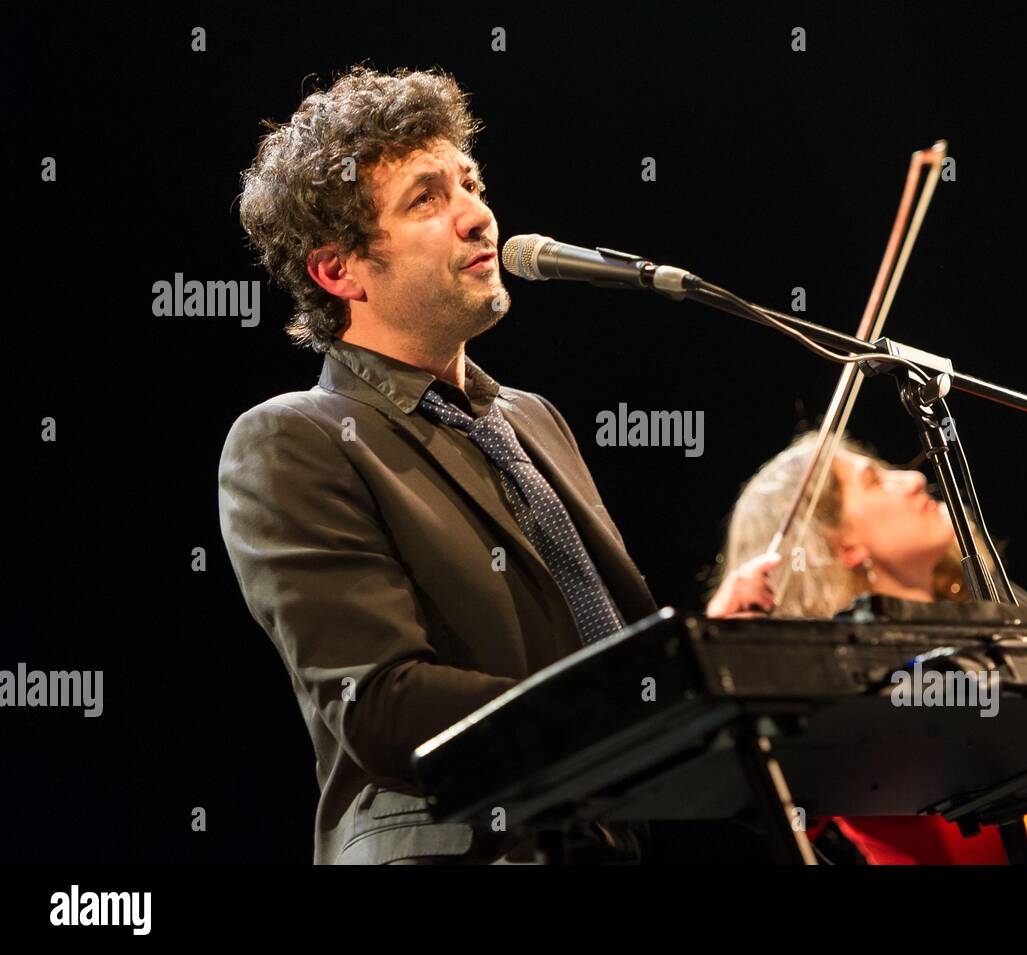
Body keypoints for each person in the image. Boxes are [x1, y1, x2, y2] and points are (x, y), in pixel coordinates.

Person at [220, 66, 762, 864]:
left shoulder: (530, 418)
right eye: (425, 199)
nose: (478, 216)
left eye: (471, 184)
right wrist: (645, 701)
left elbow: (603, 650)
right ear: (337, 270)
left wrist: (706, 649)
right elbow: (382, 705)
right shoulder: (293, 439)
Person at [710, 431, 1027, 863]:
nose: (914, 479)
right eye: (875, 481)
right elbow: (760, 808)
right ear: (841, 545)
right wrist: (724, 659)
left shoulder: (988, 622)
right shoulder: (843, 691)